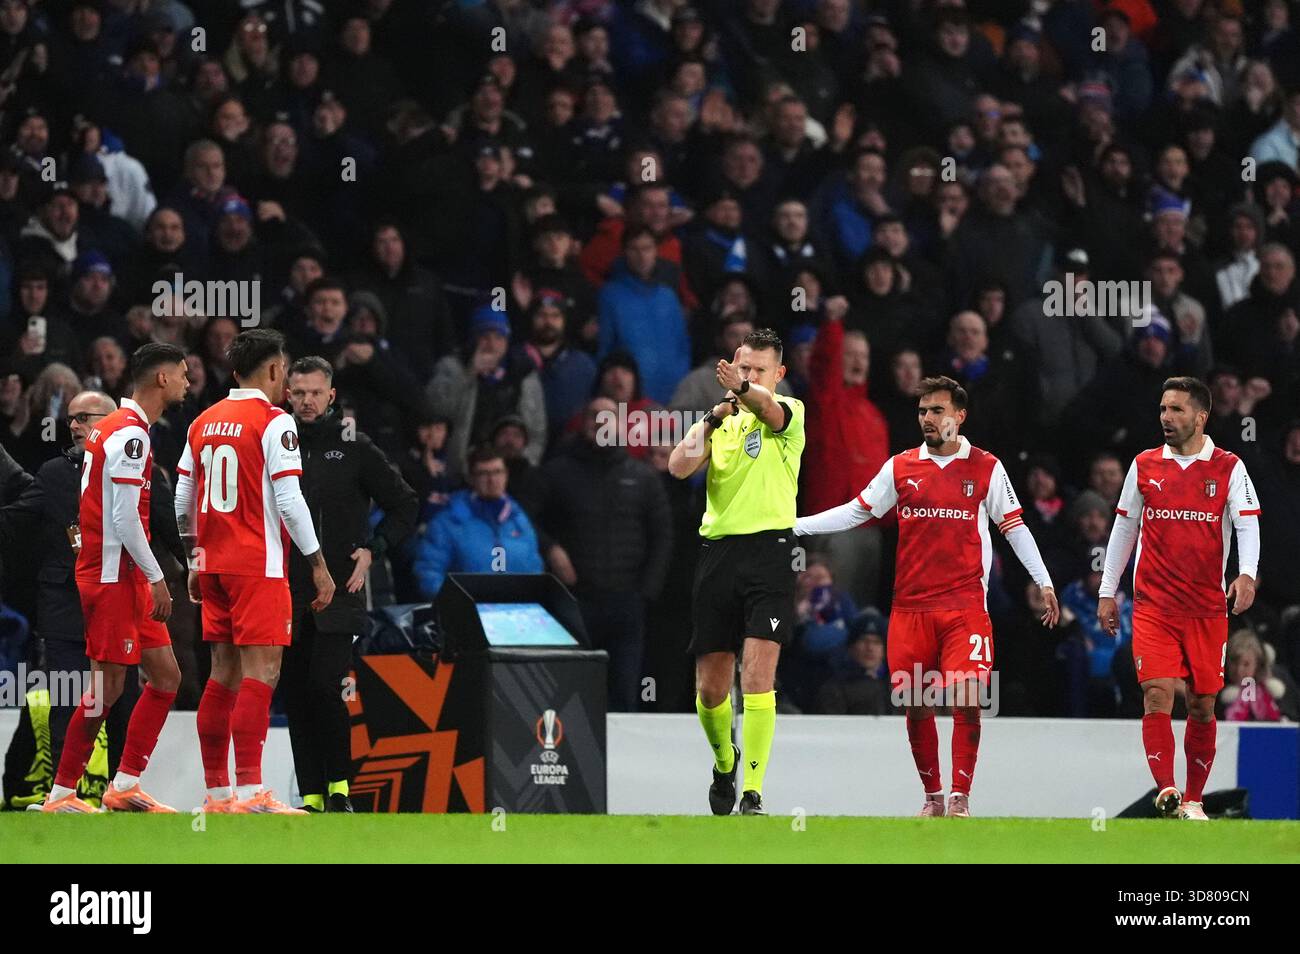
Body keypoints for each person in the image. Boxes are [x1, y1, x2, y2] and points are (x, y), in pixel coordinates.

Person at [795, 375, 1060, 817]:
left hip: (964, 608)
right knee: (917, 704)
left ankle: (960, 797)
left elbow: (1014, 526)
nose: (927, 419)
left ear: (960, 415)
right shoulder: (901, 467)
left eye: (936, 411)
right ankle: (932, 798)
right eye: (922, 412)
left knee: (967, 696)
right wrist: (797, 525)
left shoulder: (986, 467)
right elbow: (857, 511)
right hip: (910, 610)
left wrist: (1044, 579)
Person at [175, 329, 335, 814]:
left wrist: (192, 559)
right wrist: (319, 564)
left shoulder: (203, 420)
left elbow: (182, 499)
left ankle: (219, 795)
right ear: (271, 370)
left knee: (221, 674)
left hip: (214, 566)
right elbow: (289, 499)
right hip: (258, 567)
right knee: (262, 672)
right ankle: (250, 792)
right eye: (284, 369)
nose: (285, 378)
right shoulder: (273, 422)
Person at [1097, 376, 1261, 821]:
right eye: (1164, 409)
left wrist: (1246, 574)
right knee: (1156, 694)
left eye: (1176, 410)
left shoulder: (1229, 467)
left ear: (1200, 417)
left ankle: (1193, 799)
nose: (1166, 417)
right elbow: (1124, 528)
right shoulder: (1144, 465)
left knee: (1203, 703)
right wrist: (1107, 591)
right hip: (1153, 606)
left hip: (1206, 609)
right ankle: (1166, 788)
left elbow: (1247, 524)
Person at [42, 343, 190, 813]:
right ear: (162, 379)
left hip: (121, 575)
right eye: (183, 374)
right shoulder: (129, 435)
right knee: (106, 691)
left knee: (166, 676)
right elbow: (125, 520)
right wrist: (158, 579)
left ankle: (125, 784)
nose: (188, 382)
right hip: (112, 578)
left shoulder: (119, 430)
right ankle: (62, 792)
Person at [668, 328, 805, 816]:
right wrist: (711, 416)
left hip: (771, 552)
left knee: (758, 675)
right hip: (717, 554)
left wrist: (746, 394)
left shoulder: (790, 414)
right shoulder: (720, 422)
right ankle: (725, 760)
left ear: (778, 374)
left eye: (759, 371)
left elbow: (769, 409)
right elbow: (678, 466)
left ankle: (753, 792)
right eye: (742, 369)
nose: (748, 377)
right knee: (709, 688)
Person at [282, 357, 418, 812]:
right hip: (285, 588)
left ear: (331, 396)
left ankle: (340, 790)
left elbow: (405, 504)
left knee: (325, 685)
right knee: (297, 693)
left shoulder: (355, 447)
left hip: (340, 589)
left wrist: (373, 547)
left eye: (315, 392)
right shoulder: (273, 445)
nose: (306, 401)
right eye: (298, 392)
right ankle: (313, 796)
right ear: (286, 394)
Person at [412, 444, 544, 598]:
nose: (492, 480)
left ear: (506, 475)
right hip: (468, 615)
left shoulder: (518, 518)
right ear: (471, 478)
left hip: (517, 615)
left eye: (497, 472)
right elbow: (429, 573)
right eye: (484, 473)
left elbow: (536, 570)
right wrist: (457, 607)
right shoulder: (448, 522)